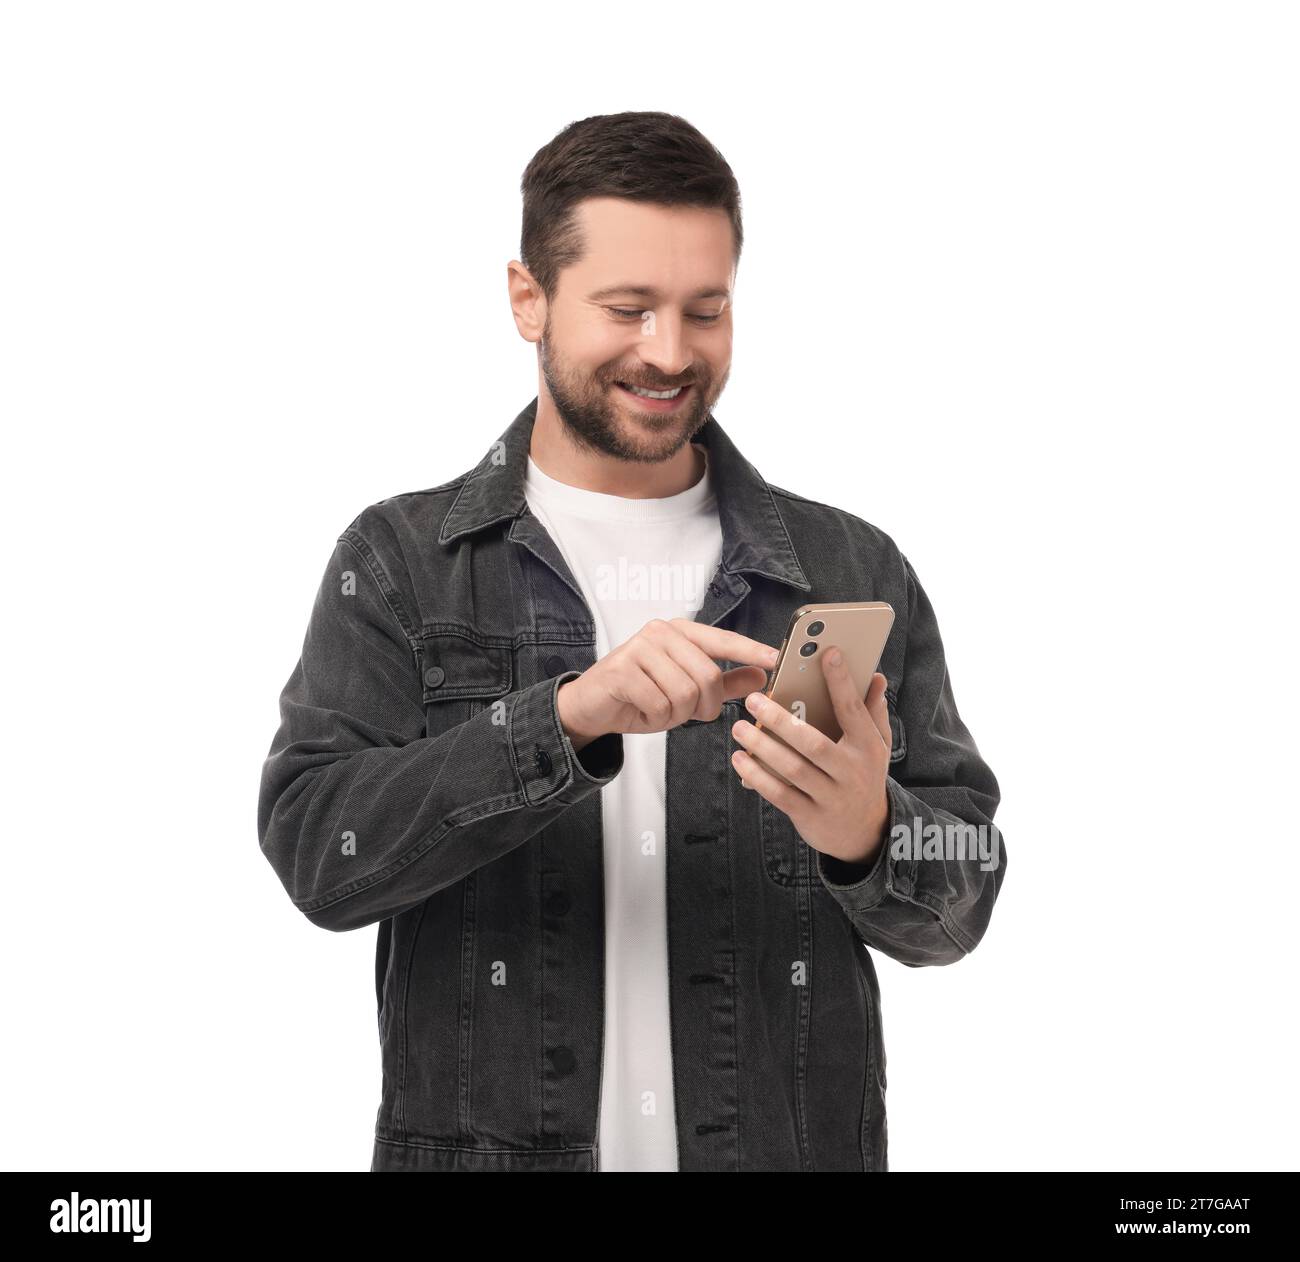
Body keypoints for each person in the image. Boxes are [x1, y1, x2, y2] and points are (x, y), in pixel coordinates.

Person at [258, 110, 1006, 1172]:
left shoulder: (850, 569)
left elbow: (970, 868)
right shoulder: (403, 559)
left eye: (705, 310)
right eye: (628, 308)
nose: (669, 351)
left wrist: (871, 828)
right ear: (529, 298)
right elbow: (315, 851)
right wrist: (562, 720)